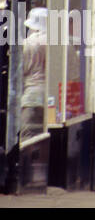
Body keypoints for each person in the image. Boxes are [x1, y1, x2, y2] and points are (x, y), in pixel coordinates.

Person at [19, 7, 48, 142]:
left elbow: (19, 72)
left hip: (32, 99)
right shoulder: (61, 42)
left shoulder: (28, 44)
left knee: (28, 140)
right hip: (53, 101)